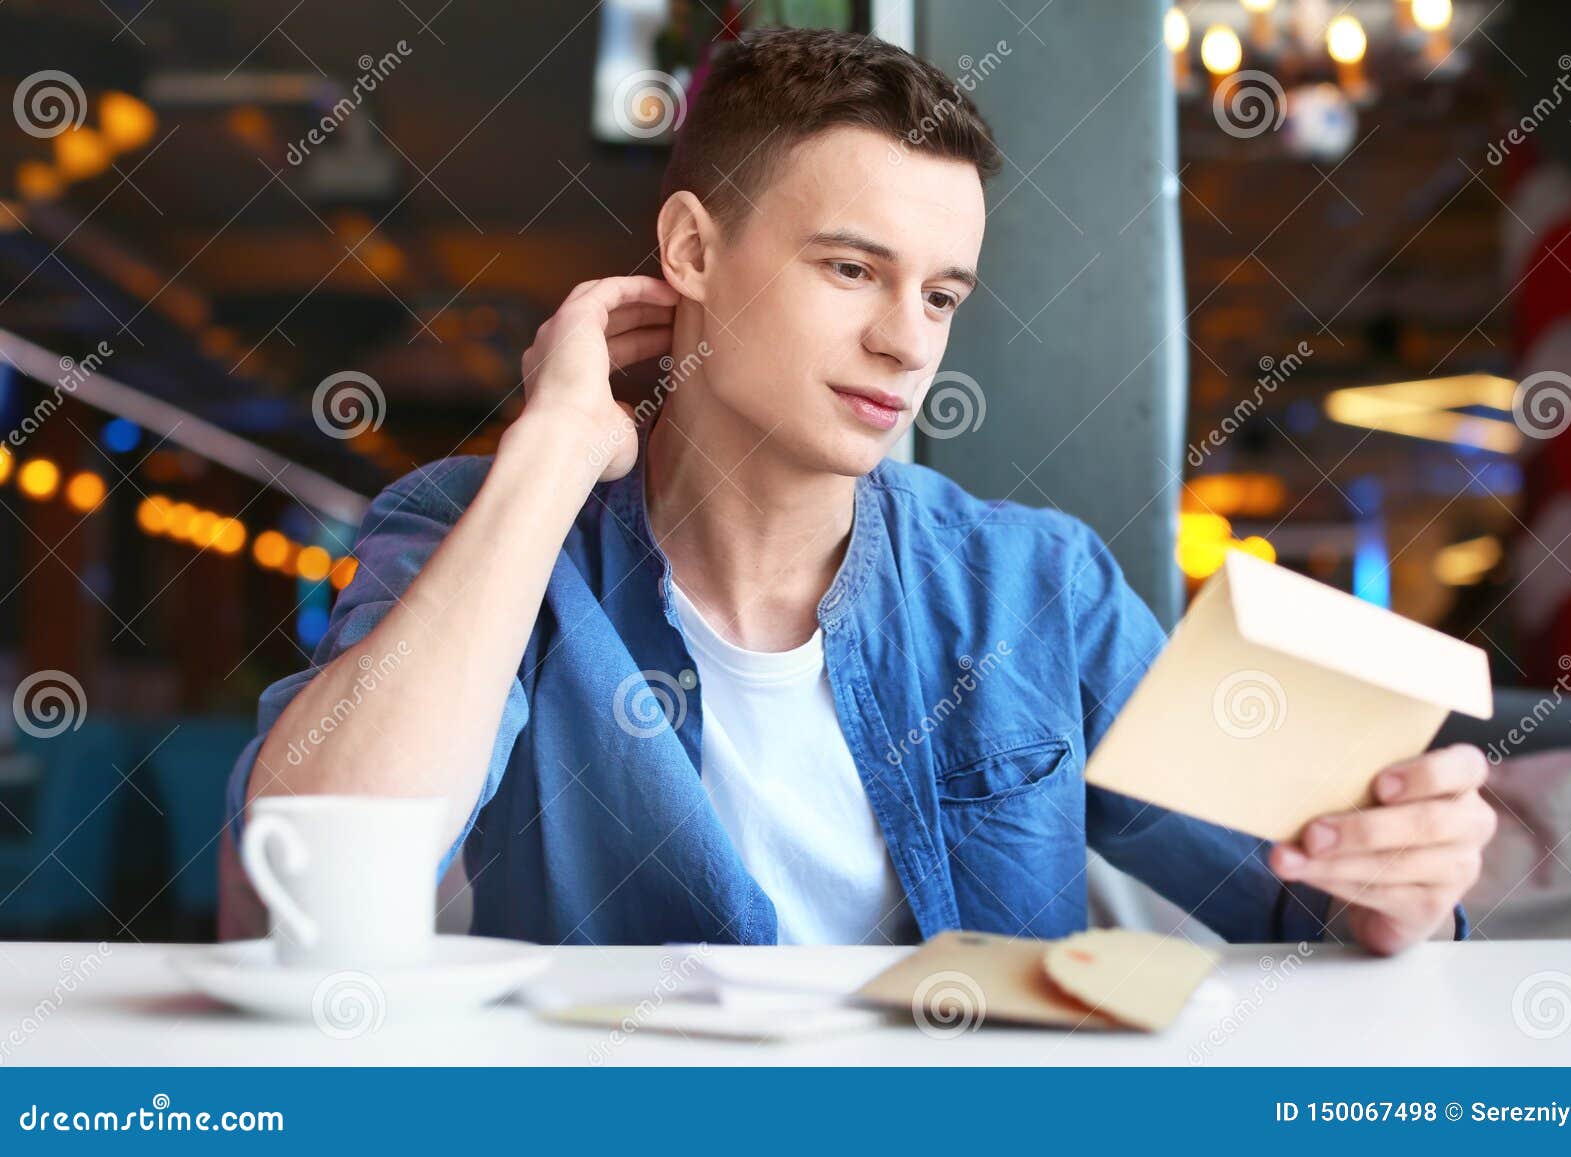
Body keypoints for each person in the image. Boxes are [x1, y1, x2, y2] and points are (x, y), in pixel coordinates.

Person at [226, 27, 1494, 955]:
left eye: (941, 293)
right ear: (690, 251)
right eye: (850, 269)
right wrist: (550, 456)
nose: (910, 342)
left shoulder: (1033, 586)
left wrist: (1396, 880)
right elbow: (298, 896)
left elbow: (1303, 895)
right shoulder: (468, 534)